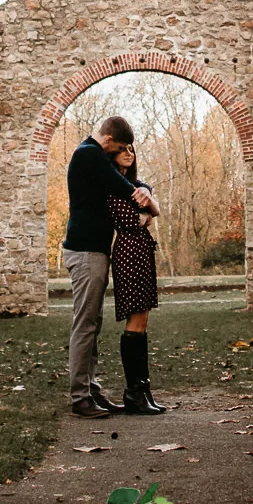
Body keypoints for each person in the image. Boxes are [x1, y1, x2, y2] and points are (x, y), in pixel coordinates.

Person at [63, 114, 141, 417]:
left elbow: (128, 180)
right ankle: (80, 397)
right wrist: (145, 199)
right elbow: (123, 186)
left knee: (92, 324)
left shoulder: (95, 155)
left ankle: (91, 390)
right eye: (119, 147)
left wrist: (144, 188)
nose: (120, 152)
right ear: (108, 139)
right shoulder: (88, 154)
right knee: (85, 325)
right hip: (85, 252)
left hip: (93, 252)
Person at [107, 143, 166, 415]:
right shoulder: (113, 186)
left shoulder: (137, 185)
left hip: (141, 251)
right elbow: (131, 221)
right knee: (135, 317)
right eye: (122, 149)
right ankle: (133, 392)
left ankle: (143, 389)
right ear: (112, 154)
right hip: (128, 252)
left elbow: (155, 210)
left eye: (131, 149)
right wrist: (145, 212)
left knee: (142, 319)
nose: (128, 153)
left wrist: (149, 205)